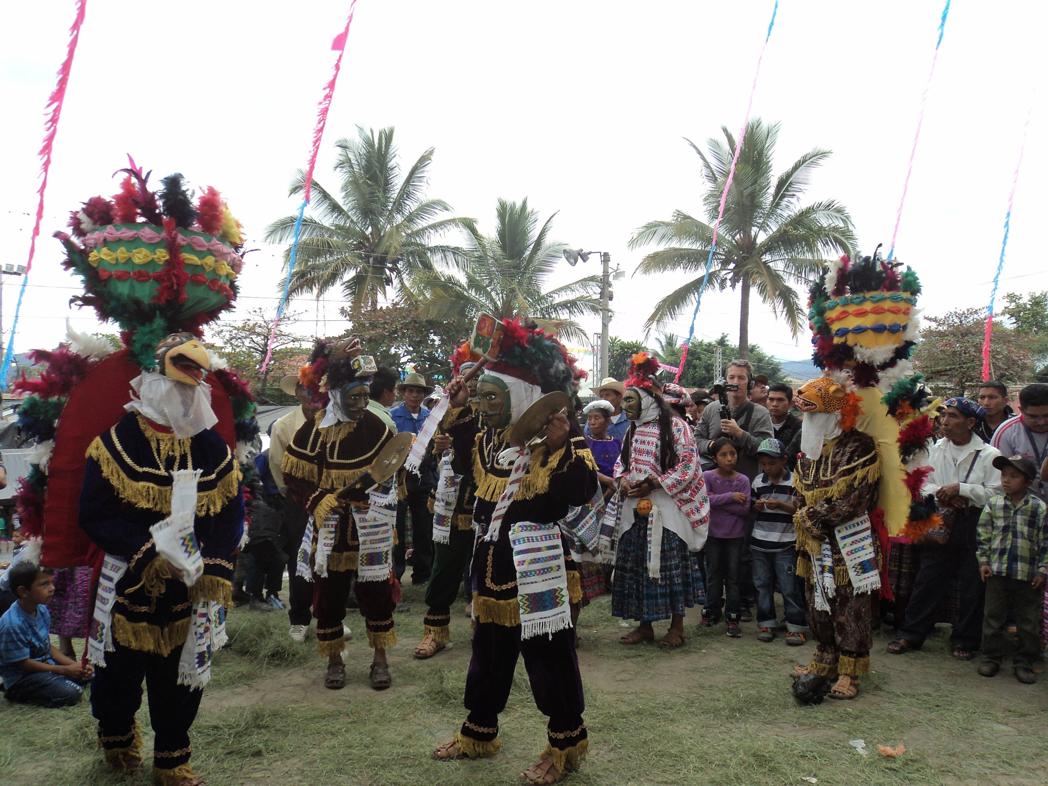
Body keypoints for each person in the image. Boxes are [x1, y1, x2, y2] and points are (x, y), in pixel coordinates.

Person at [433, 319, 598, 785]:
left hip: (538, 565)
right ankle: (478, 732)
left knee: (550, 658)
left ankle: (564, 746)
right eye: (481, 397)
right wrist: (458, 403)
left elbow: (581, 490)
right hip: (491, 565)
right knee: (487, 654)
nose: (484, 407)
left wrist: (563, 442)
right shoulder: (487, 440)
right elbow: (464, 460)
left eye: (492, 398)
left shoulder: (557, 442)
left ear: (522, 398)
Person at [80, 333, 244, 785]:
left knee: (181, 678)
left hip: (190, 588)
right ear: (152, 383)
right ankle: (117, 737)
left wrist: (210, 569)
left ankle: (171, 760)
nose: (187, 398)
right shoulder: (114, 444)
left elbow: (230, 514)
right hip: (130, 582)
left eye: (194, 391)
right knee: (117, 677)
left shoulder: (212, 448)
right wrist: (151, 554)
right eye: (179, 389)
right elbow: (94, 515)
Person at [282, 338, 397, 691]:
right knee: (328, 597)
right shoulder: (315, 429)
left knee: (377, 593)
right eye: (354, 397)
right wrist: (319, 500)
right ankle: (335, 659)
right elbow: (294, 477)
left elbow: (393, 471)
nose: (362, 404)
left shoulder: (379, 427)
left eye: (365, 396)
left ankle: (380, 658)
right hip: (330, 527)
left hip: (370, 526)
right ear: (336, 396)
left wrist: (377, 496)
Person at [886, 398, 1000, 660]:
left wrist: (962, 490)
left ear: (971, 422)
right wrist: (943, 492)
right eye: (943, 416)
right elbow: (922, 483)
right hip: (941, 519)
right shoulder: (935, 449)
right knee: (928, 578)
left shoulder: (989, 455)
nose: (945, 422)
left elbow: (997, 494)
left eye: (953, 416)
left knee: (972, 583)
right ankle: (911, 633)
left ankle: (966, 640)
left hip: (975, 523)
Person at [791, 376, 880, 702]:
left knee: (851, 606)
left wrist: (811, 518)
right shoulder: (809, 452)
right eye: (806, 416)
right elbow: (800, 490)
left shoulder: (860, 446)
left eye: (814, 416)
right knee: (818, 604)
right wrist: (803, 518)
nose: (808, 422)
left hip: (849, 541)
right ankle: (825, 657)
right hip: (816, 543)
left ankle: (850, 671)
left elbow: (856, 498)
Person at [611, 354, 709, 649]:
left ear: (647, 400)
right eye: (624, 400)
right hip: (635, 510)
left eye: (630, 400)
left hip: (667, 510)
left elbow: (688, 465)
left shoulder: (677, 427)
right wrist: (624, 480)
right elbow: (620, 464)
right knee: (639, 567)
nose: (625, 405)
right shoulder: (633, 429)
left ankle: (677, 628)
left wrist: (654, 483)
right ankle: (645, 626)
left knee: (670, 568)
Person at [415, 349, 483, 660]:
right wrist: (440, 447)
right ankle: (435, 632)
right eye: (470, 379)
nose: (475, 384)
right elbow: (433, 449)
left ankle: (486, 630)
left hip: (490, 503)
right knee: (444, 568)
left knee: (487, 568)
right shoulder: (449, 411)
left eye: (479, 378)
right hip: (453, 502)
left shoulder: (502, 412)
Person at [976, 455, 1047, 684]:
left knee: (1028, 621)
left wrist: (1043, 570)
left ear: (1027, 481)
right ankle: (991, 657)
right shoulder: (994, 504)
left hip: (1027, 574)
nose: (1006, 480)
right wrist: (983, 562)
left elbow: (1045, 541)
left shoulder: (1039, 508)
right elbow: (983, 535)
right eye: (1004, 475)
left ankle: (1024, 661)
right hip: (997, 571)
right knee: (993, 616)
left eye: (1013, 476)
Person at [0, 562, 91, 707]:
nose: (52, 588)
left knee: (90, 675)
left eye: (52, 582)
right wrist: (63, 669)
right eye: (44, 584)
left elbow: (47, 646)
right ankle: (15, 693)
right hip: (23, 678)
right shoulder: (12, 624)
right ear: (23, 591)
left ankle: (58, 679)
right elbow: (23, 664)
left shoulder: (42, 610)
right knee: (73, 693)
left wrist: (75, 665)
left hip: (45, 667)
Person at [271, 375, 320, 642]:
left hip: (331, 498)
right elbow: (277, 467)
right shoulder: (284, 425)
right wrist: (297, 497)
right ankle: (299, 618)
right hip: (298, 501)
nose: (311, 393)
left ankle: (327, 615)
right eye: (306, 388)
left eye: (316, 388)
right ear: (298, 392)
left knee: (329, 557)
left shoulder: (337, 421)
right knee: (299, 557)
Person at [750, 438, 806, 645]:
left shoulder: (794, 482)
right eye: (763, 464)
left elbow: (799, 511)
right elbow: (752, 506)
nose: (767, 468)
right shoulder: (758, 482)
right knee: (762, 584)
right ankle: (766, 622)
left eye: (771, 463)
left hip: (786, 543)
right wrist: (756, 506)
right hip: (760, 542)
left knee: (789, 585)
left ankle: (796, 625)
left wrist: (781, 506)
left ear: (783, 461)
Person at [701, 438, 750, 637]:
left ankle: (732, 615)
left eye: (733, 454)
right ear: (714, 458)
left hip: (735, 536)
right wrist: (730, 497)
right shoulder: (707, 476)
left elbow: (745, 508)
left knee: (733, 577)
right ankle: (711, 610)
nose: (729, 458)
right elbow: (704, 500)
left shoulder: (743, 480)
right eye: (723, 455)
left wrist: (717, 502)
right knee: (713, 574)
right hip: (713, 534)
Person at [391, 372, 436, 584]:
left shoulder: (431, 417)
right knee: (397, 527)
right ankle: (396, 573)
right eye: (410, 391)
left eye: (419, 391)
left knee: (424, 528)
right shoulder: (392, 416)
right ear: (403, 393)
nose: (415, 395)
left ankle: (423, 573)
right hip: (400, 479)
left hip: (424, 478)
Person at [695, 361, 773, 479]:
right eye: (731, 377)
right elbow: (695, 439)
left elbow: (767, 450)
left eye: (741, 378)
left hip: (746, 483)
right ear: (726, 381)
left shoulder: (761, 413)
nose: (736, 382)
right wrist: (711, 445)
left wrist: (739, 433)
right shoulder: (711, 409)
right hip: (713, 485)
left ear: (750, 384)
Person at [991, 383, 1048, 503]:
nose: (1041, 422)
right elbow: (997, 476)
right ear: (1021, 410)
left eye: (1046, 416)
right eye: (1033, 416)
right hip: (1023, 508)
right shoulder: (1006, 432)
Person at [586, 377, 631, 442]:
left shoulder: (630, 420)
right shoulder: (592, 420)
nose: (603, 399)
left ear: (619, 397)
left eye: (607, 395)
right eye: (601, 396)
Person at [766, 384, 801, 461]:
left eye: (780, 400)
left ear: (790, 404)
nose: (774, 404)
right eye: (771, 399)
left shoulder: (799, 427)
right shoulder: (762, 423)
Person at [368, 366, 399, 433]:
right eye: (395, 389)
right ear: (386, 393)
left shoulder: (359, 412)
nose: (397, 394)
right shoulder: (387, 423)